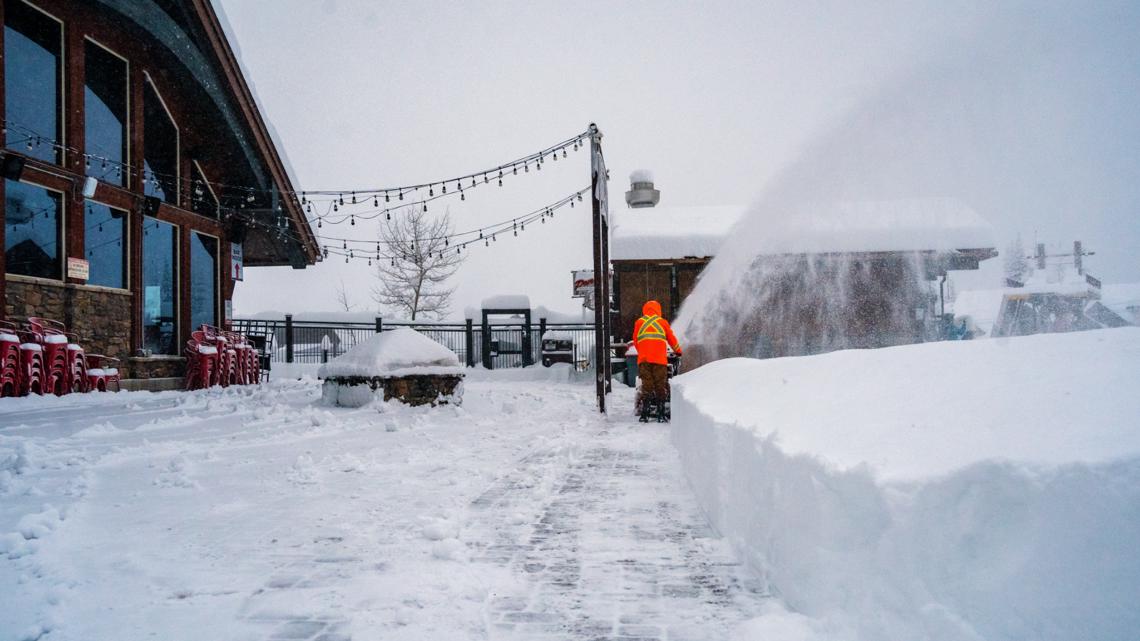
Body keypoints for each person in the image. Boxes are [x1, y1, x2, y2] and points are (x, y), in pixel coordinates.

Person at [632, 300, 682, 421]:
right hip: (659, 360)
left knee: (647, 385)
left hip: (644, 360)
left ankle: (645, 414)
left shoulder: (639, 322)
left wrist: (643, 352)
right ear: (658, 310)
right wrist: (678, 351)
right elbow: (671, 338)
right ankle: (661, 413)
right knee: (660, 385)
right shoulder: (662, 322)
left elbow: (635, 340)